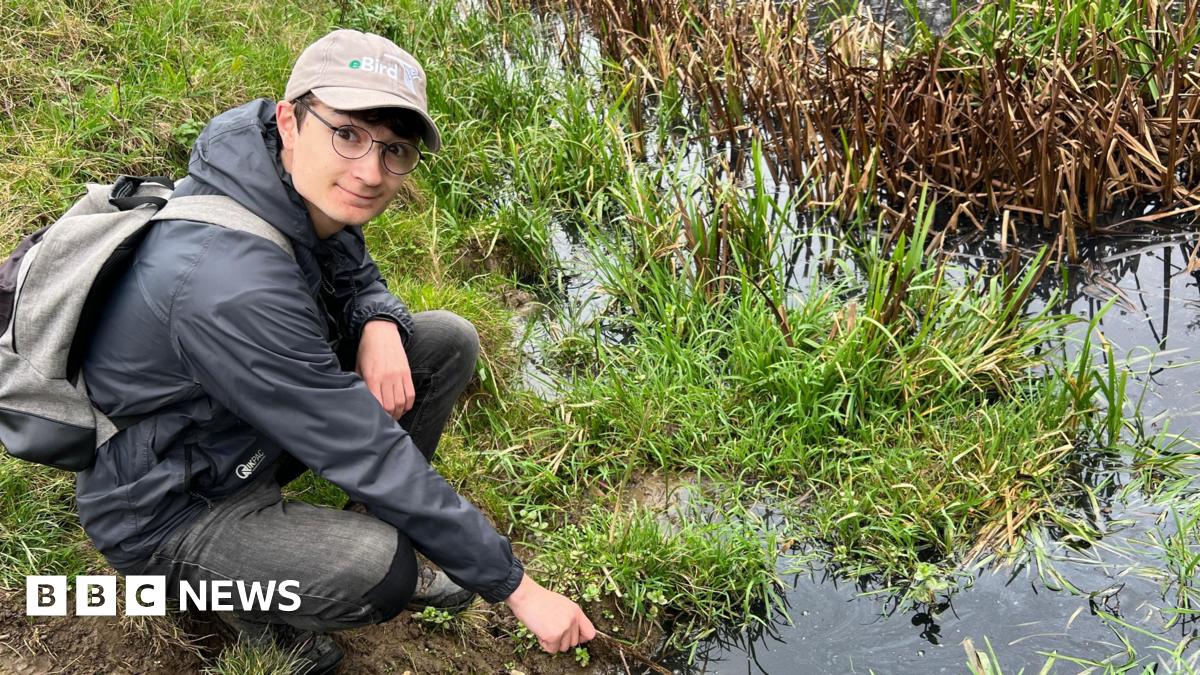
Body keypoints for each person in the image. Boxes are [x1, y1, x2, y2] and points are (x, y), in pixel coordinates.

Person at [76, 28, 594, 673]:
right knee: (376, 571)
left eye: (395, 151)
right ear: (291, 121)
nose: (371, 173)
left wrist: (377, 320)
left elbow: (350, 266)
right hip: (168, 504)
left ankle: (343, 533)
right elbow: (362, 448)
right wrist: (518, 589)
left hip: (233, 434)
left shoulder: (279, 181)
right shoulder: (230, 286)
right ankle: (259, 612)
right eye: (347, 135)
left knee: (441, 342)